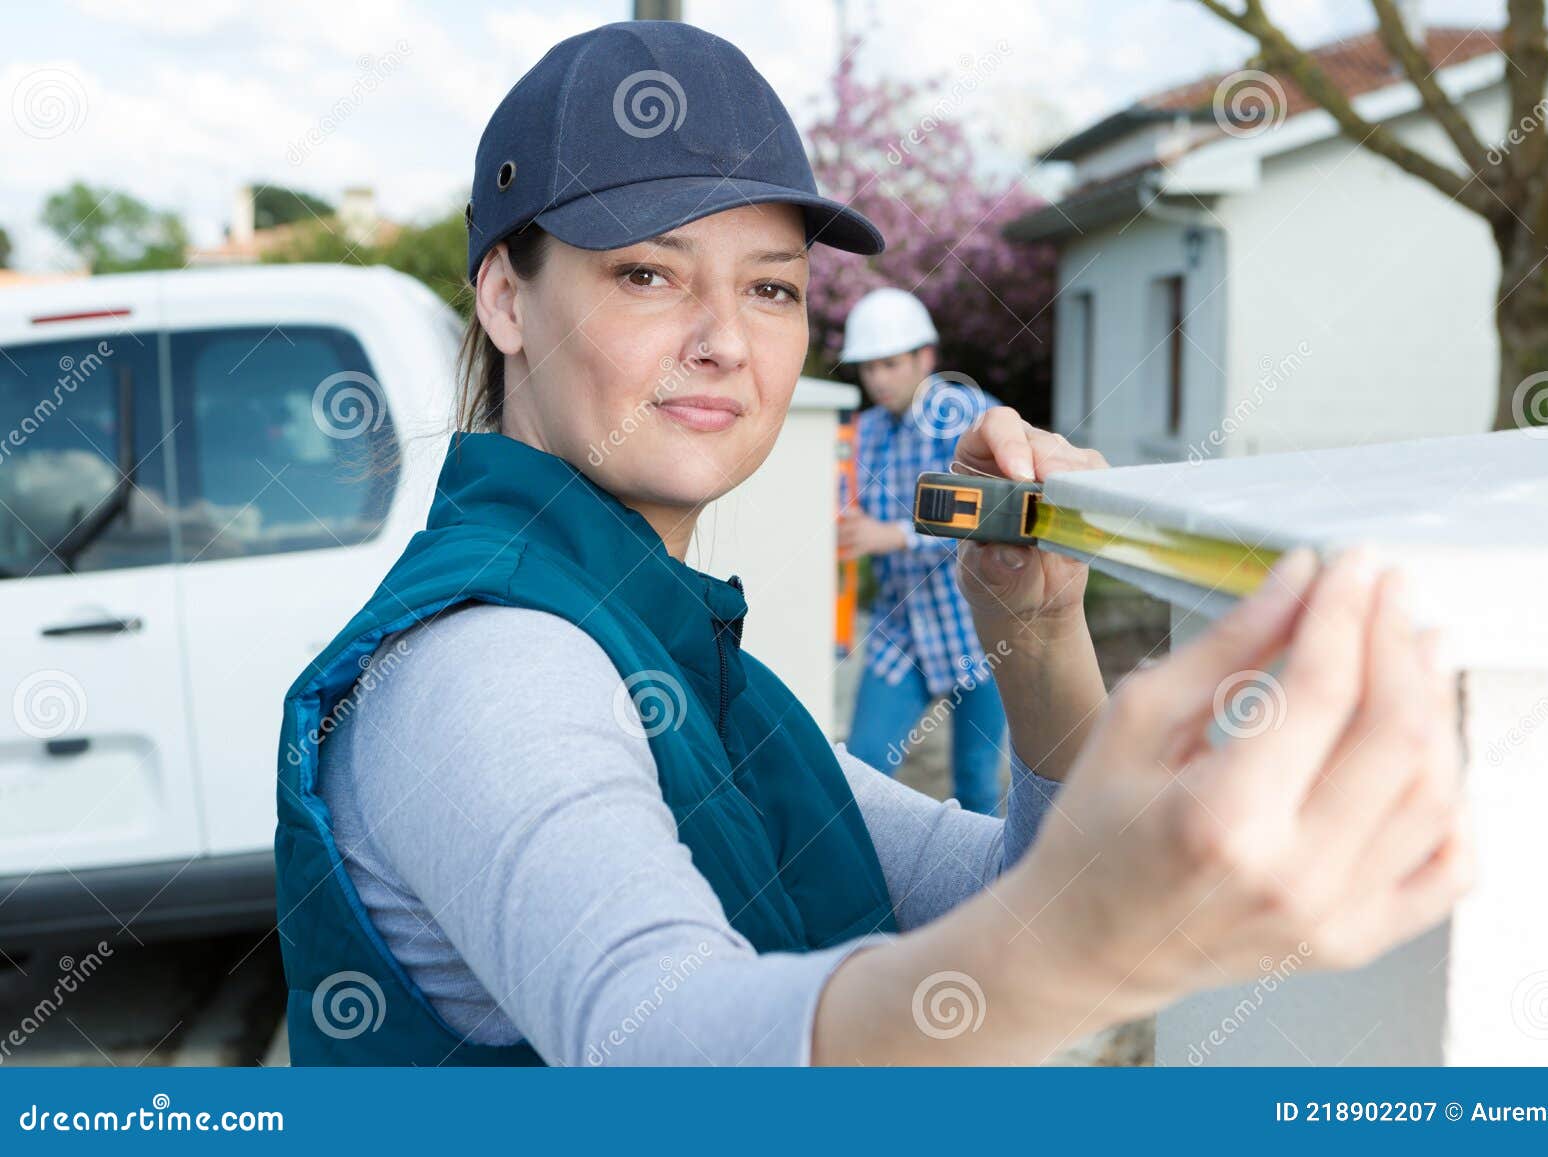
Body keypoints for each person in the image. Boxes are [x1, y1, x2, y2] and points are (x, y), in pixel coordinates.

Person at [274, 20, 1472, 1067]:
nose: (724, 342)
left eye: (773, 289)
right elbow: (664, 1044)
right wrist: (1095, 945)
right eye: (647, 273)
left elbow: (1009, 901)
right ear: (504, 297)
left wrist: (1038, 630)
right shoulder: (490, 662)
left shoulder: (679, 656)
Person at [837, 287, 1010, 814]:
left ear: (925, 358)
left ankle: (979, 893)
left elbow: (998, 509)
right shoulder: (862, 432)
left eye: (890, 364)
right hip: (901, 628)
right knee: (860, 769)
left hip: (976, 629)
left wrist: (895, 534)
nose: (878, 380)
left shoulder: (972, 418)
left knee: (978, 783)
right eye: (868, 368)